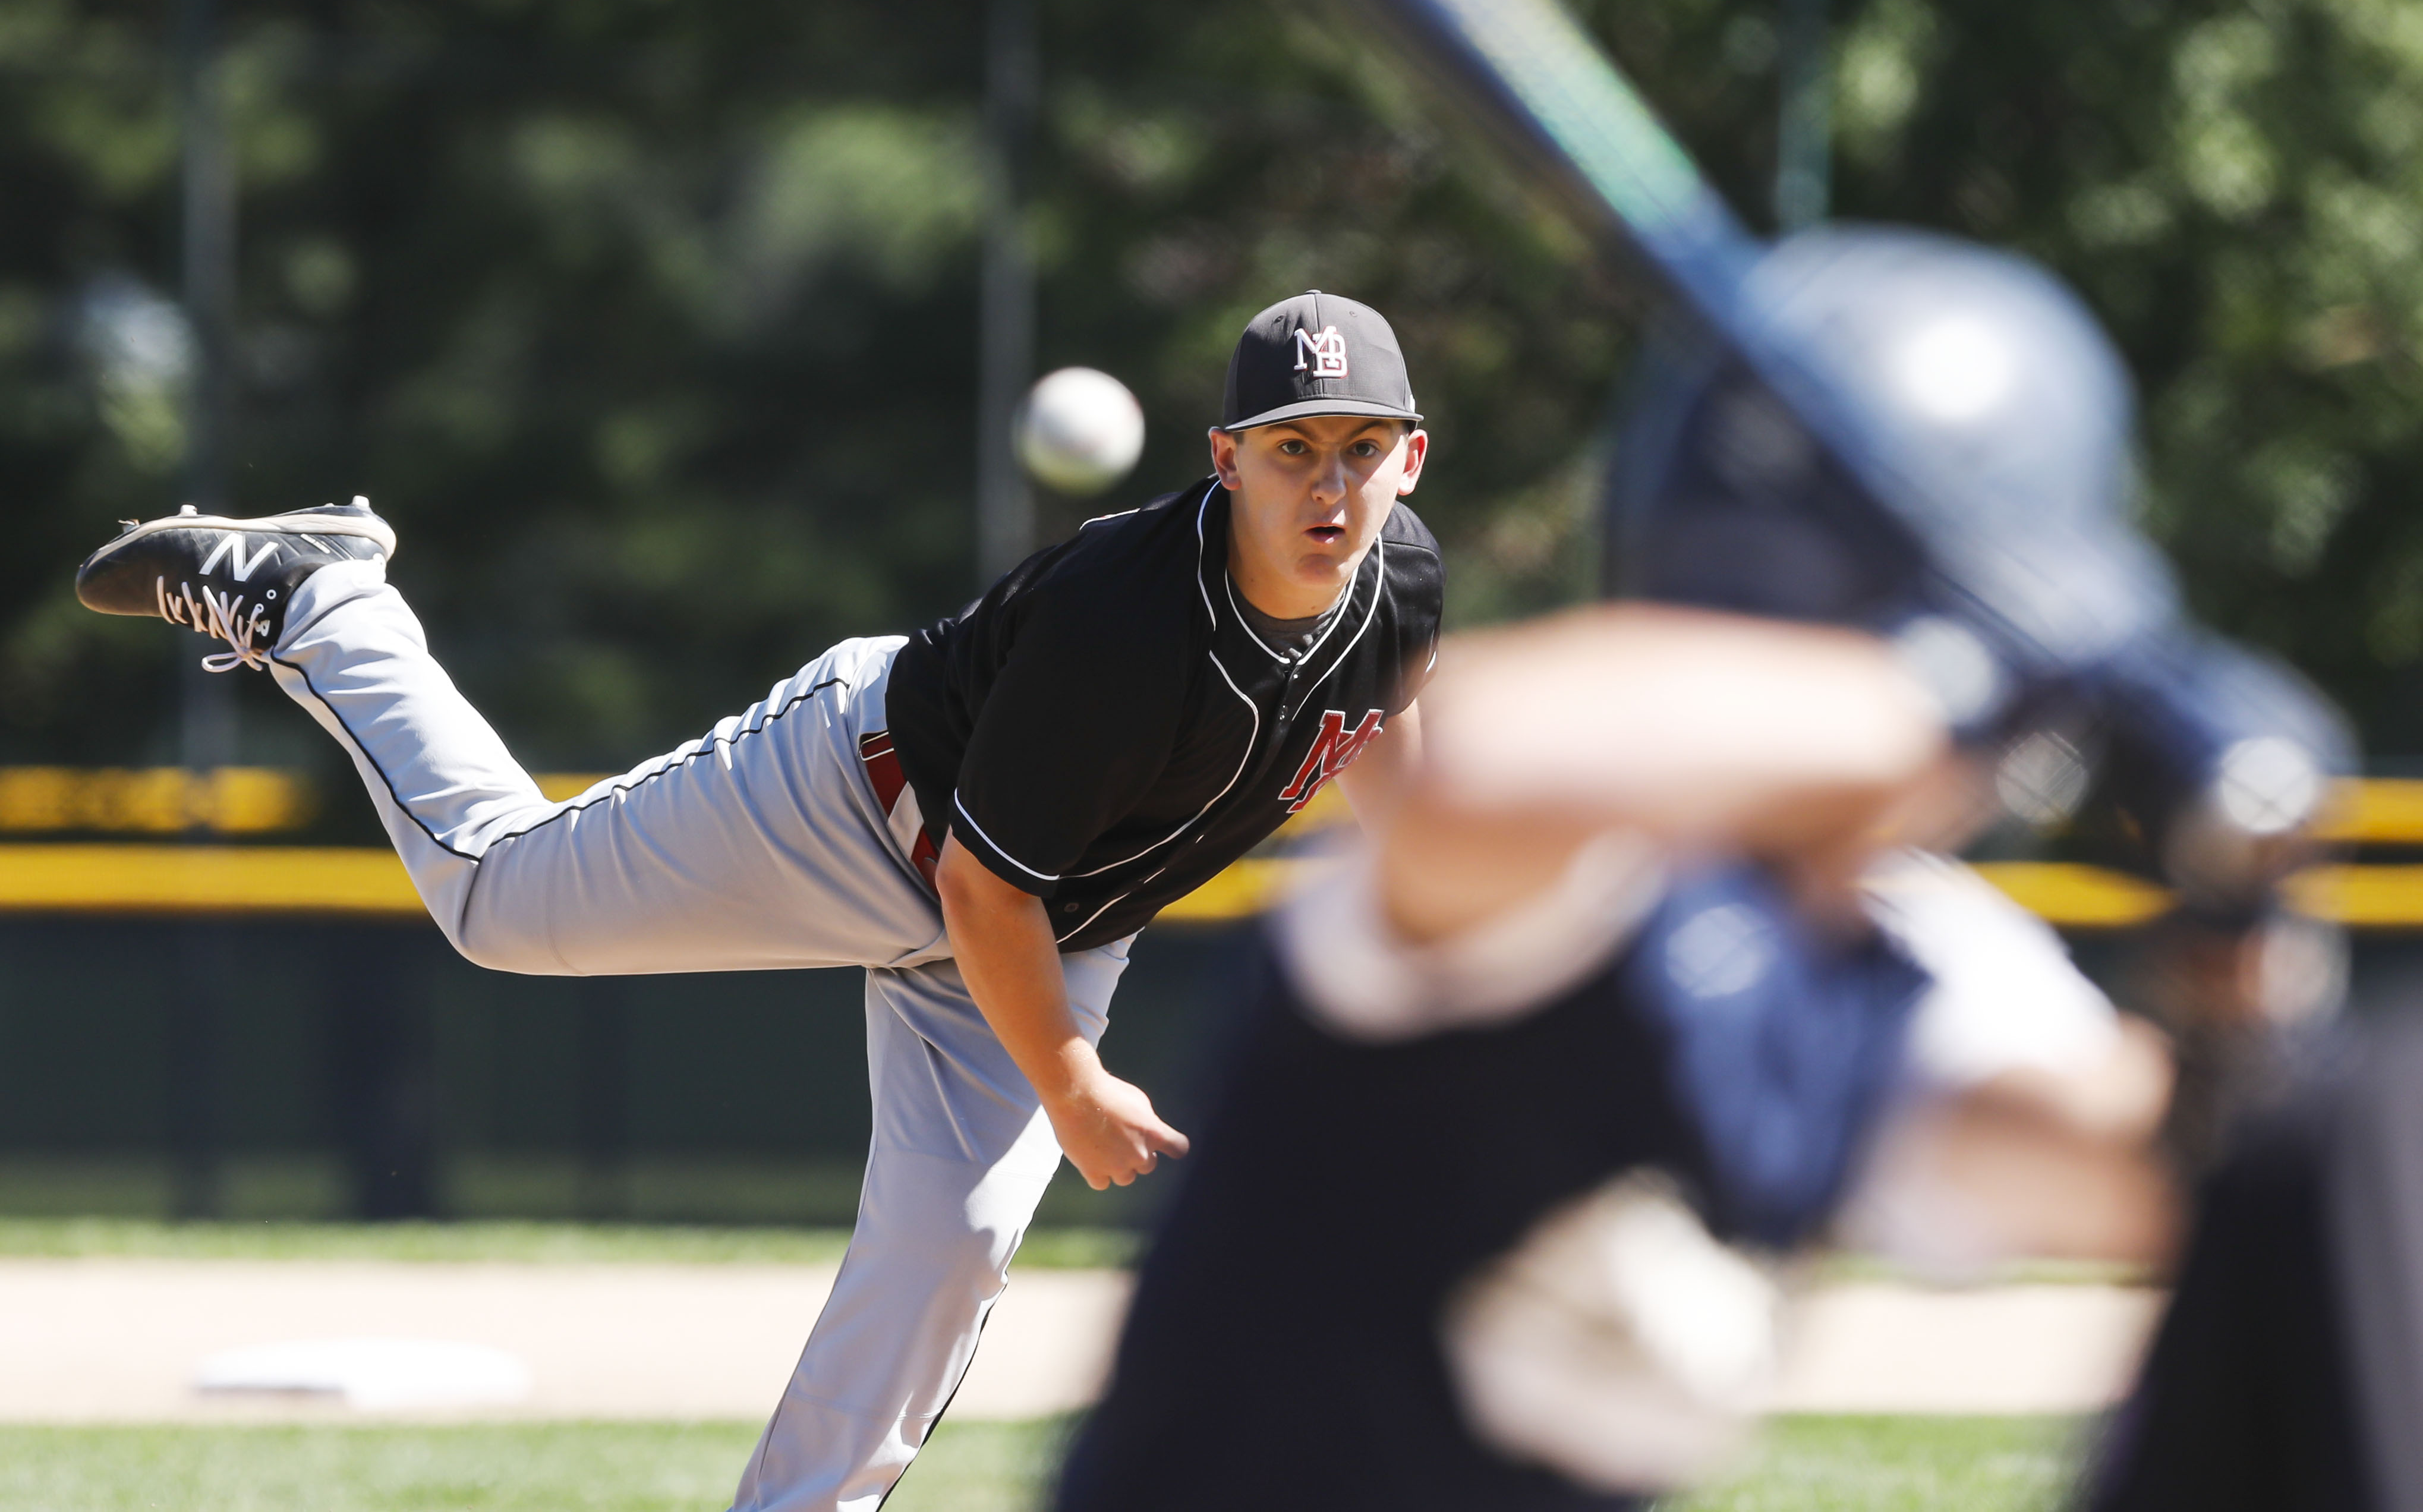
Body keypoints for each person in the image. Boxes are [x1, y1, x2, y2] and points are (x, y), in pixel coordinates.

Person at [72, 291, 1444, 1512]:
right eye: (1290, 446)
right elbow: (981, 886)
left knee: (951, 1251)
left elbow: (1400, 767)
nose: (1328, 482)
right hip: (854, 802)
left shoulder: (1401, 588)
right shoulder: (1127, 621)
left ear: (1410, 457)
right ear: (1225, 459)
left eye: (1359, 447)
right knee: (496, 902)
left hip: (1045, 926)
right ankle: (322, 598)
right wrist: (1073, 1084)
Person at [1052, 228, 2336, 1510]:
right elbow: (1463, 767)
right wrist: (1959, 676)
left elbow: (2161, 1184)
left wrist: (2237, 932)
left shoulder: (1894, 964)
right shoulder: (1570, 873)